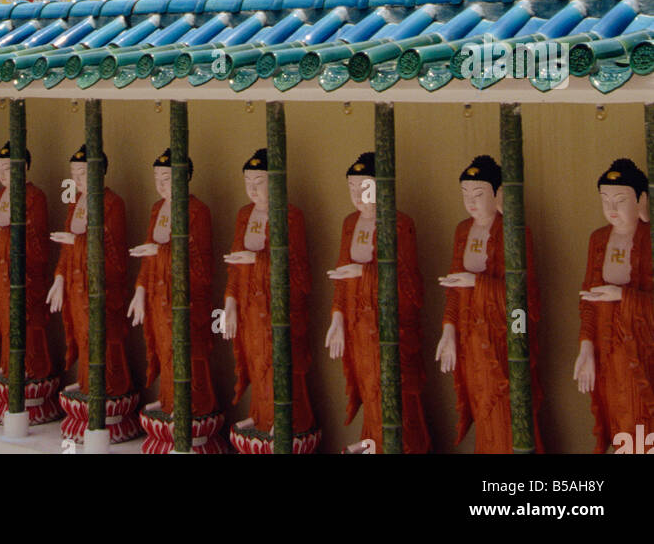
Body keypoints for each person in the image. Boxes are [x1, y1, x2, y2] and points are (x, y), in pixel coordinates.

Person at [435, 153, 542, 453]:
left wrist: (517, 336)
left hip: (503, 337)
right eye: (465, 193)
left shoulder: (515, 232)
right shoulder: (462, 231)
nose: (470, 201)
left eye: (478, 193)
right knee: (483, 411)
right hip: (471, 339)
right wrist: (448, 331)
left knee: (509, 409)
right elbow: (454, 288)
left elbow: (523, 295)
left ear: (498, 194)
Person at [326, 152, 430, 453]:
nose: (358, 196)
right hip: (358, 326)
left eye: (365, 188)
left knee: (392, 391)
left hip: (389, 329)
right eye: (352, 188)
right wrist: (337, 319)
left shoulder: (400, 224)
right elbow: (340, 274)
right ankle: (373, 442)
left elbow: (410, 285)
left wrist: (365, 272)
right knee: (370, 389)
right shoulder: (350, 223)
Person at [223, 147, 314, 435]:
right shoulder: (243, 215)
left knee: (279, 364)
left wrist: (258, 259)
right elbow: (234, 266)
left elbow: (297, 269)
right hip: (249, 306)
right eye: (247, 181)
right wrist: (229, 304)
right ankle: (259, 413)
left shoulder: (290, 216)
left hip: (279, 309)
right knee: (255, 360)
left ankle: (287, 418)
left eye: (259, 181)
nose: (252, 189)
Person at [573, 157, 654, 452]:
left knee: (641, 423)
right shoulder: (598, 239)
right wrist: (585, 348)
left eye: (620, 200)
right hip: (607, 351)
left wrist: (622, 297)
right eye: (605, 199)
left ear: (642, 199)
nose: (611, 209)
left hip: (642, 354)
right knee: (619, 419)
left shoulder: (650, 238)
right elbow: (588, 300)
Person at [128, 148, 216, 416]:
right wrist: (140, 291)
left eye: (167, 178)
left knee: (186, 351)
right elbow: (147, 254)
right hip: (157, 294)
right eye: (157, 178)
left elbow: (201, 265)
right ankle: (167, 398)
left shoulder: (197, 211)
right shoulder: (157, 208)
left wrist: (162, 252)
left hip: (185, 299)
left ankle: (193, 403)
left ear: (184, 178)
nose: (161, 185)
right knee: (164, 348)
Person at [47, 145, 132, 397]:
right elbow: (66, 246)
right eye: (74, 174)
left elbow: (114, 253)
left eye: (83, 174)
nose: (77, 180)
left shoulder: (112, 204)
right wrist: (59, 279)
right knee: (81, 335)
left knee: (100, 337)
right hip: (74, 283)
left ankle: (109, 384)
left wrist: (79, 242)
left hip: (98, 287)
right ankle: (85, 380)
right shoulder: (75, 201)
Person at [0, 141, 51, 379]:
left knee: (24, 321)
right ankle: (7, 363)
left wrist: (3, 234)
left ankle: (30, 367)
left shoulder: (35, 197)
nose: (2, 174)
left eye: (7, 168)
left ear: (24, 167)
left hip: (23, 275)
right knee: (4, 320)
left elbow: (35, 239)